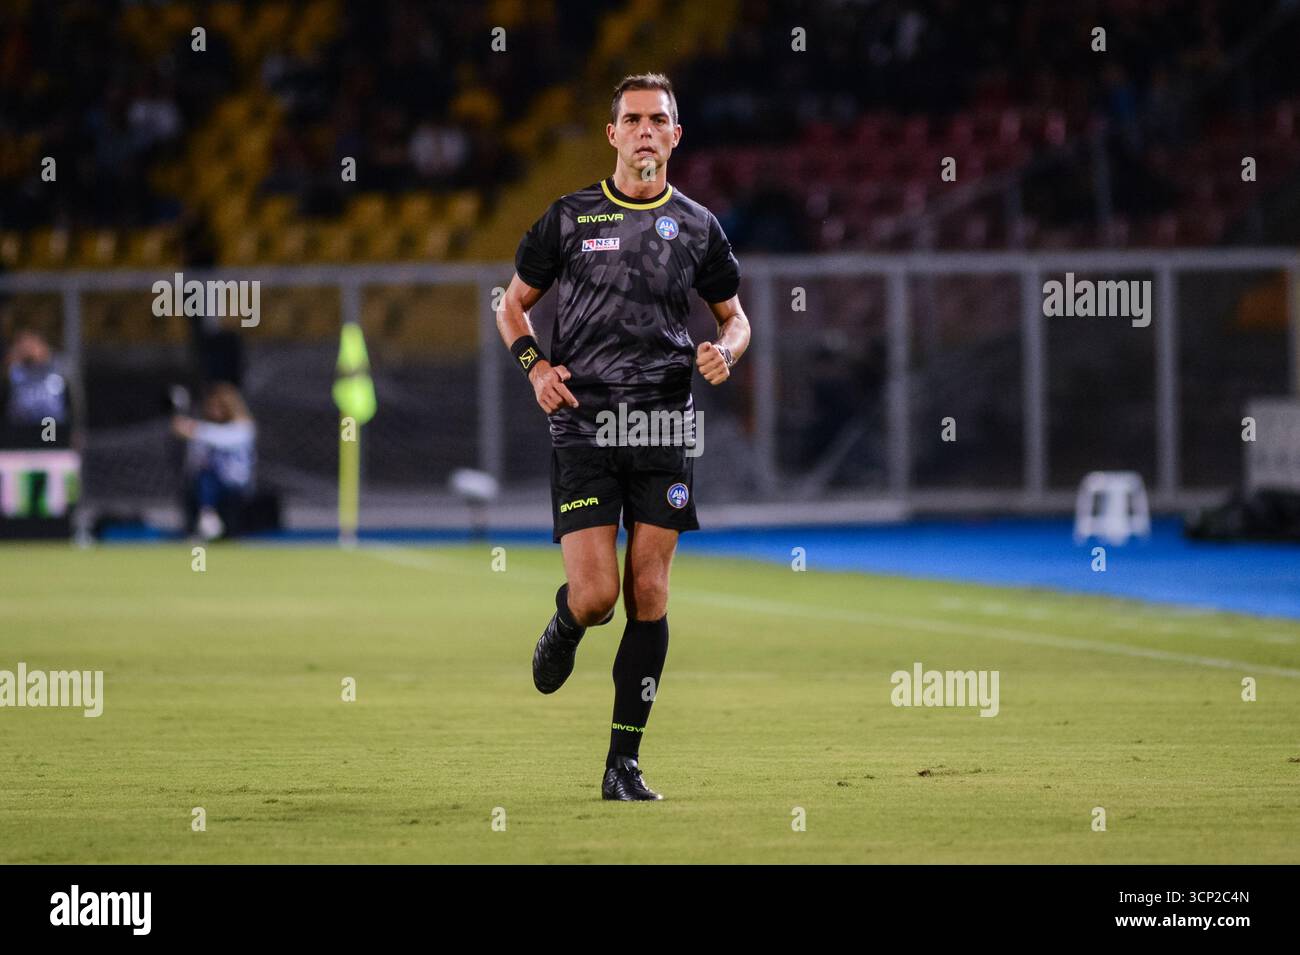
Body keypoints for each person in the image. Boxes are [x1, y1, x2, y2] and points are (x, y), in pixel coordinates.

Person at [495, 73, 752, 800]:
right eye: (632, 118)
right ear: (612, 134)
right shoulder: (568, 218)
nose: (645, 129)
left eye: (658, 119)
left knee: (649, 589)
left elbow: (737, 316)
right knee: (600, 594)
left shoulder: (700, 226)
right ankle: (568, 619)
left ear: (675, 135)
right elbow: (511, 307)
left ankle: (622, 764)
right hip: (583, 419)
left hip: (663, 422)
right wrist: (535, 366)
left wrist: (725, 351)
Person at [172, 383, 256, 541]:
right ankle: (206, 516)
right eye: (211, 406)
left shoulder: (243, 427)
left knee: (209, 478)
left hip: (235, 485)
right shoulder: (204, 429)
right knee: (204, 478)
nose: (213, 411)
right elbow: (196, 459)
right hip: (209, 485)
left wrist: (193, 429)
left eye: (218, 407)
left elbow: (223, 439)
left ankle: (208, 515)